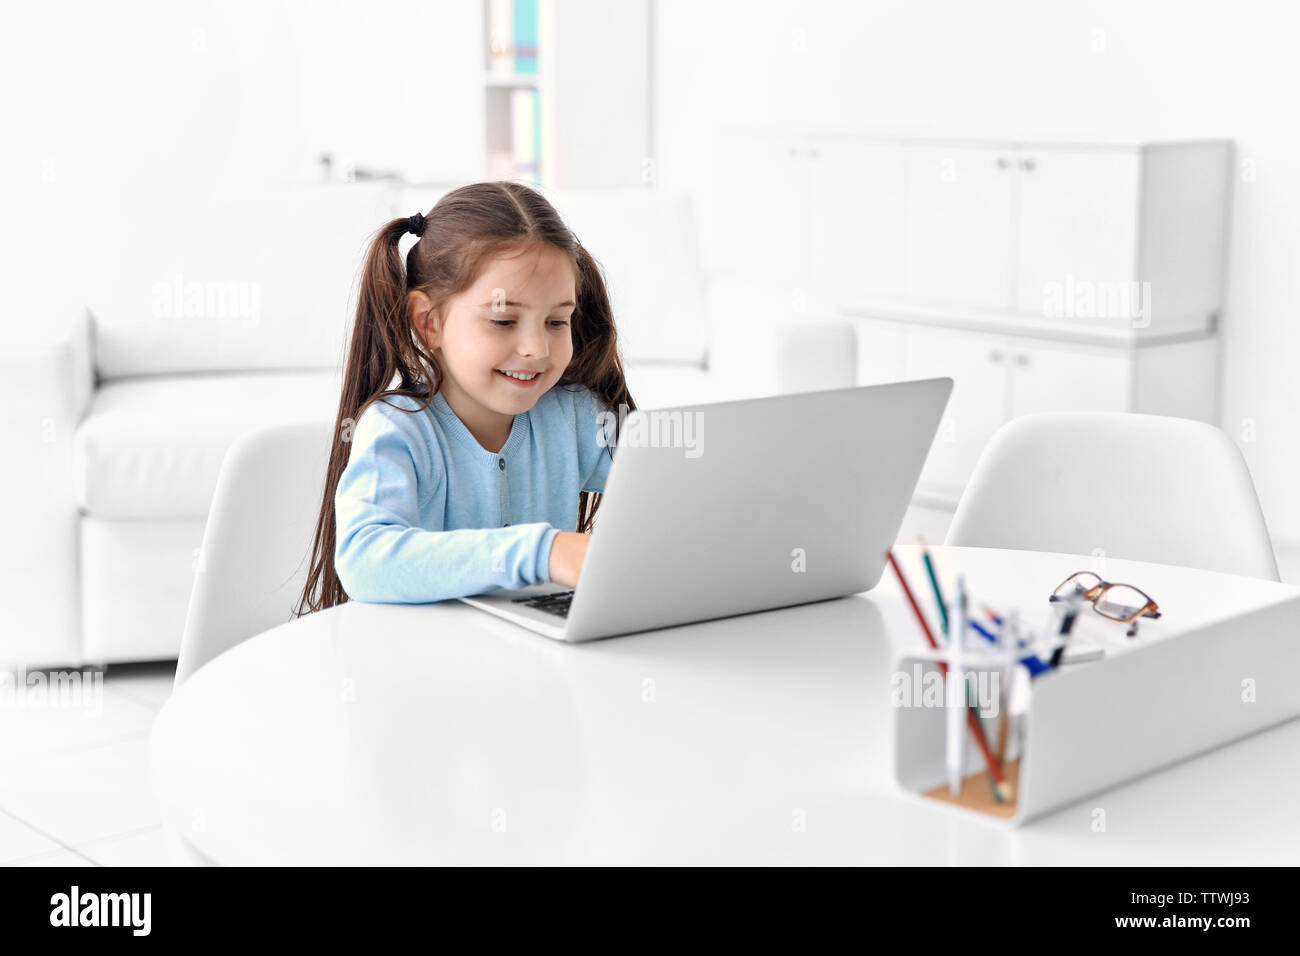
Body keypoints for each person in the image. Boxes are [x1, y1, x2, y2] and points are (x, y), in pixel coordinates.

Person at [296, 181, 635, 612]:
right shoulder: (398, 430)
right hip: (428, 665)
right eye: (504, 321)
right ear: (429, 321)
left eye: (556, 321)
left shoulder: (573, 417)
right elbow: (365, 560)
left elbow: (668, 487)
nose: (538, 348)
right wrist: (540, 552)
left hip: (538, 660)